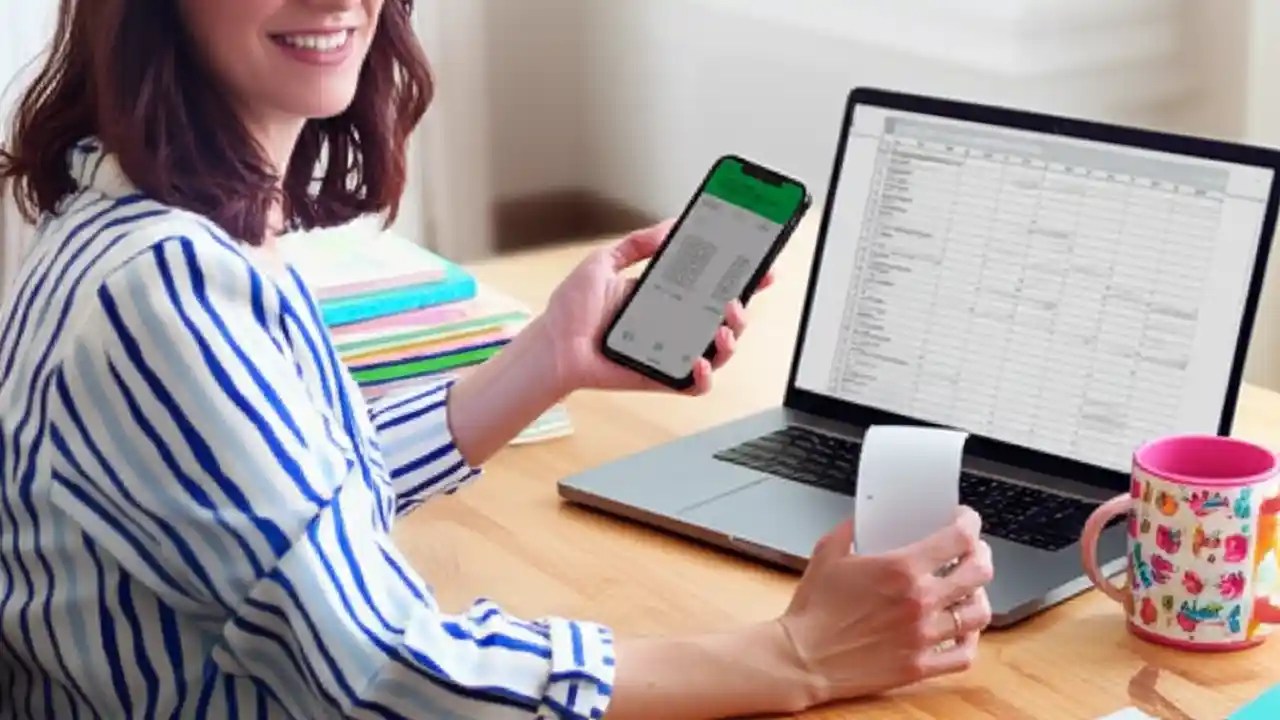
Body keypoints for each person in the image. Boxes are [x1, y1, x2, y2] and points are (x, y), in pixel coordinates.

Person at [0, 0, 995, 717]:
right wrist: (794, 656)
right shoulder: (168, 282)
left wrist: (544, 359)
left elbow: (292, 503)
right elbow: (386, 666)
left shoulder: (140, 219)